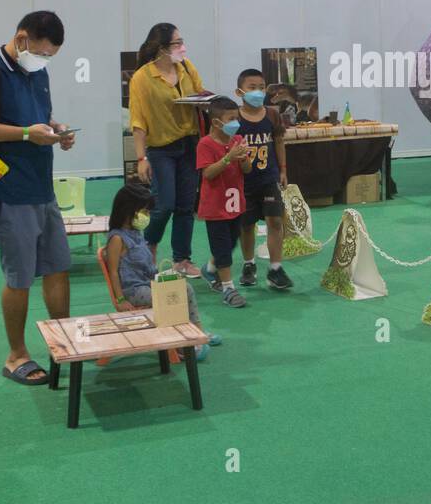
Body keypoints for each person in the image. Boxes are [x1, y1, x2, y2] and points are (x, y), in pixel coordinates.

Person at [0, 11, 76, 386]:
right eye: (41, 52)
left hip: (41, 186)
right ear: (21, 38)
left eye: (51, 56)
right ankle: (16, 356)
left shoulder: (38, 72)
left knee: (57, 266)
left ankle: (64, 341)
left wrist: (57, 130)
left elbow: (41, 117)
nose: (44, 60)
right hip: (5, 190)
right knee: (20, 275)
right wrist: (25, 134)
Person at [104, 182, 220, 360]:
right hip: (134, 290)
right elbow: (113, 272)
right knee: (168, 298)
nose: (147, 215)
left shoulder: (137, 233)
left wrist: (167, 277)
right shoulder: (117, 239)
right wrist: (120, 300)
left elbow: (148, 267)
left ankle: (197, 332)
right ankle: (180, 344)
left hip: (149, 283)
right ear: (128, 209)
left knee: (185, 288)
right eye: (144, 211)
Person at [127, 22, 206, 276]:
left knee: (185, 205)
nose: (182, 47)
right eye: (176, 43)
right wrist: (141, 157)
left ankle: (182, 259)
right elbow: (137, 121)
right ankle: (147, 245)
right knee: (164, 204)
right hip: (161, 149)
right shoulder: (142, 78)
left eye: (182, 42)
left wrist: (205, 101)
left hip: (190, 144)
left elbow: (200, 93)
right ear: (161, 48)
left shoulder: (186, 67)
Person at [234, 69, 292, 290]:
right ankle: (249, 264)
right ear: (240, 91)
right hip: (244, 182)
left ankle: (276, 268)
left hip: (269, 178)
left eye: (261, 87)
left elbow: (278, 142)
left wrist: (283, 170)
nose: (257, 92)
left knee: (275, 222)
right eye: (252, 87)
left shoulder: (272, 115)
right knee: (246, 225)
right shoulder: (234, 118)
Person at [197, 97, 252, 308]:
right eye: (231, 119)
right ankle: (229, 288)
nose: (235, 123)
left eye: (236, 119)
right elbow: (208, 173)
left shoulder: (237, 139)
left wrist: (244, 158)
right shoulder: (205, 144)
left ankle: (210, 269)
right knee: (222, 247)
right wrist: (228, 158)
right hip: (215, 207)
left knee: (231, 243)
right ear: (216, 122)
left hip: (235, 204)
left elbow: (247, 170)